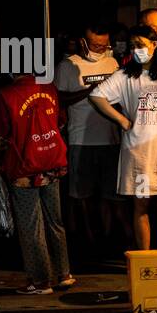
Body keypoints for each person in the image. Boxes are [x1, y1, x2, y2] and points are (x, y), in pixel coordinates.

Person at [89, 24, 157, 251]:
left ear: (155, 45)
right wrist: (122, 120)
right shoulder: (125, 76)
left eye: (141, 45)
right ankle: (144, 258)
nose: (137, 50)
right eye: (134, 46)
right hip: (140, 155)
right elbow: (96, 96)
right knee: (142, 206)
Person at [0, 71, 71, 294]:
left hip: (24, 164)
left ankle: (40, 281)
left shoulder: (6, 94)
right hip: (52, 161)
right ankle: (63, 273)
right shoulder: (48, 87)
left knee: (31, 225)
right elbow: (60, 119)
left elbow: (2, 132)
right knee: (55, 219)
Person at [54, 22, 122, 249]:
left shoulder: (112, 63)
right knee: (81, 194)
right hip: (81, 139)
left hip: (110, 138)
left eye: (104, 45)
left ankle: (107, 237)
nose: (100, 49)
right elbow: (59, 100)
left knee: (109, 194)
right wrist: (91, 92)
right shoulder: (67, 66)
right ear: (83, 42)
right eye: (95, 45)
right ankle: (86, 238)